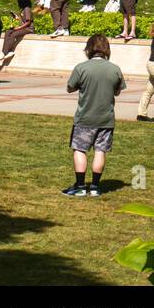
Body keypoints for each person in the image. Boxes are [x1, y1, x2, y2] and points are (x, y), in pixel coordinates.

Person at [63, 35, 125, 196]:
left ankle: (80, 186)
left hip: (85, 117)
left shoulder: (81, 67)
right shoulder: (115, 68)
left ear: (89, 49)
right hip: (106, 118)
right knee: (100, 151)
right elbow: (118, 90)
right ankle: (96, 187)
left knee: (80, 149)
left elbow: (70, 87)